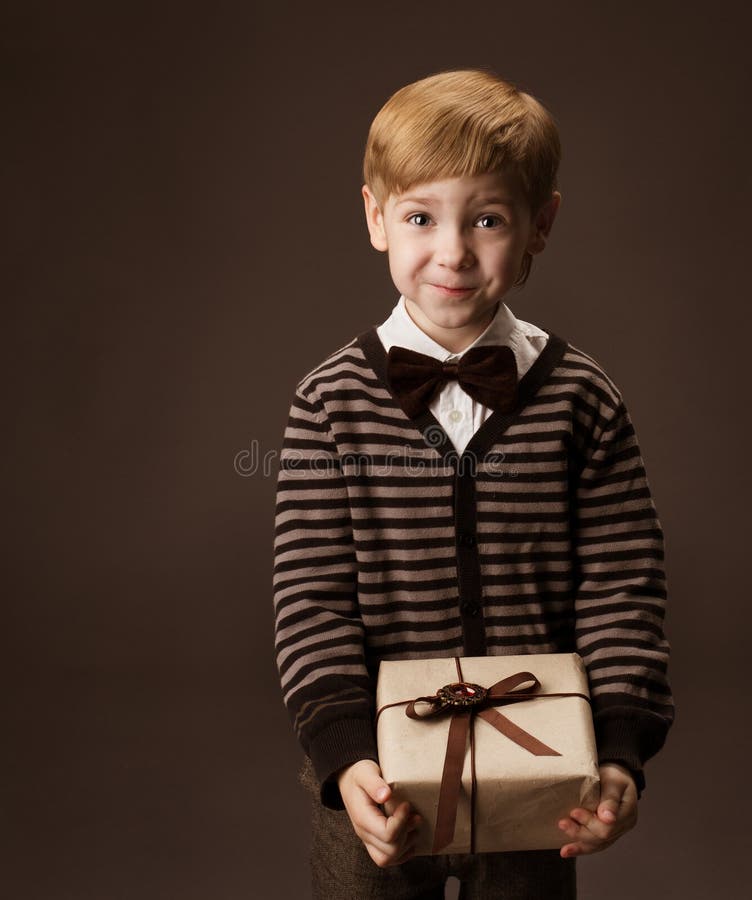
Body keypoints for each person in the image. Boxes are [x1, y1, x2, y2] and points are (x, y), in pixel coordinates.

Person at [272, 68, 673, 899]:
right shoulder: (328, 401)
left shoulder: (582, 397)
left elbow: (622, 584)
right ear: (377, 218)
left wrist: (620, 748)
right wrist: (345, 758)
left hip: (543, 771)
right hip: (378, 783)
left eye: (487, 219)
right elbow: (312, 597)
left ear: (541, 225)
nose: (452, 252)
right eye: (420, 216)